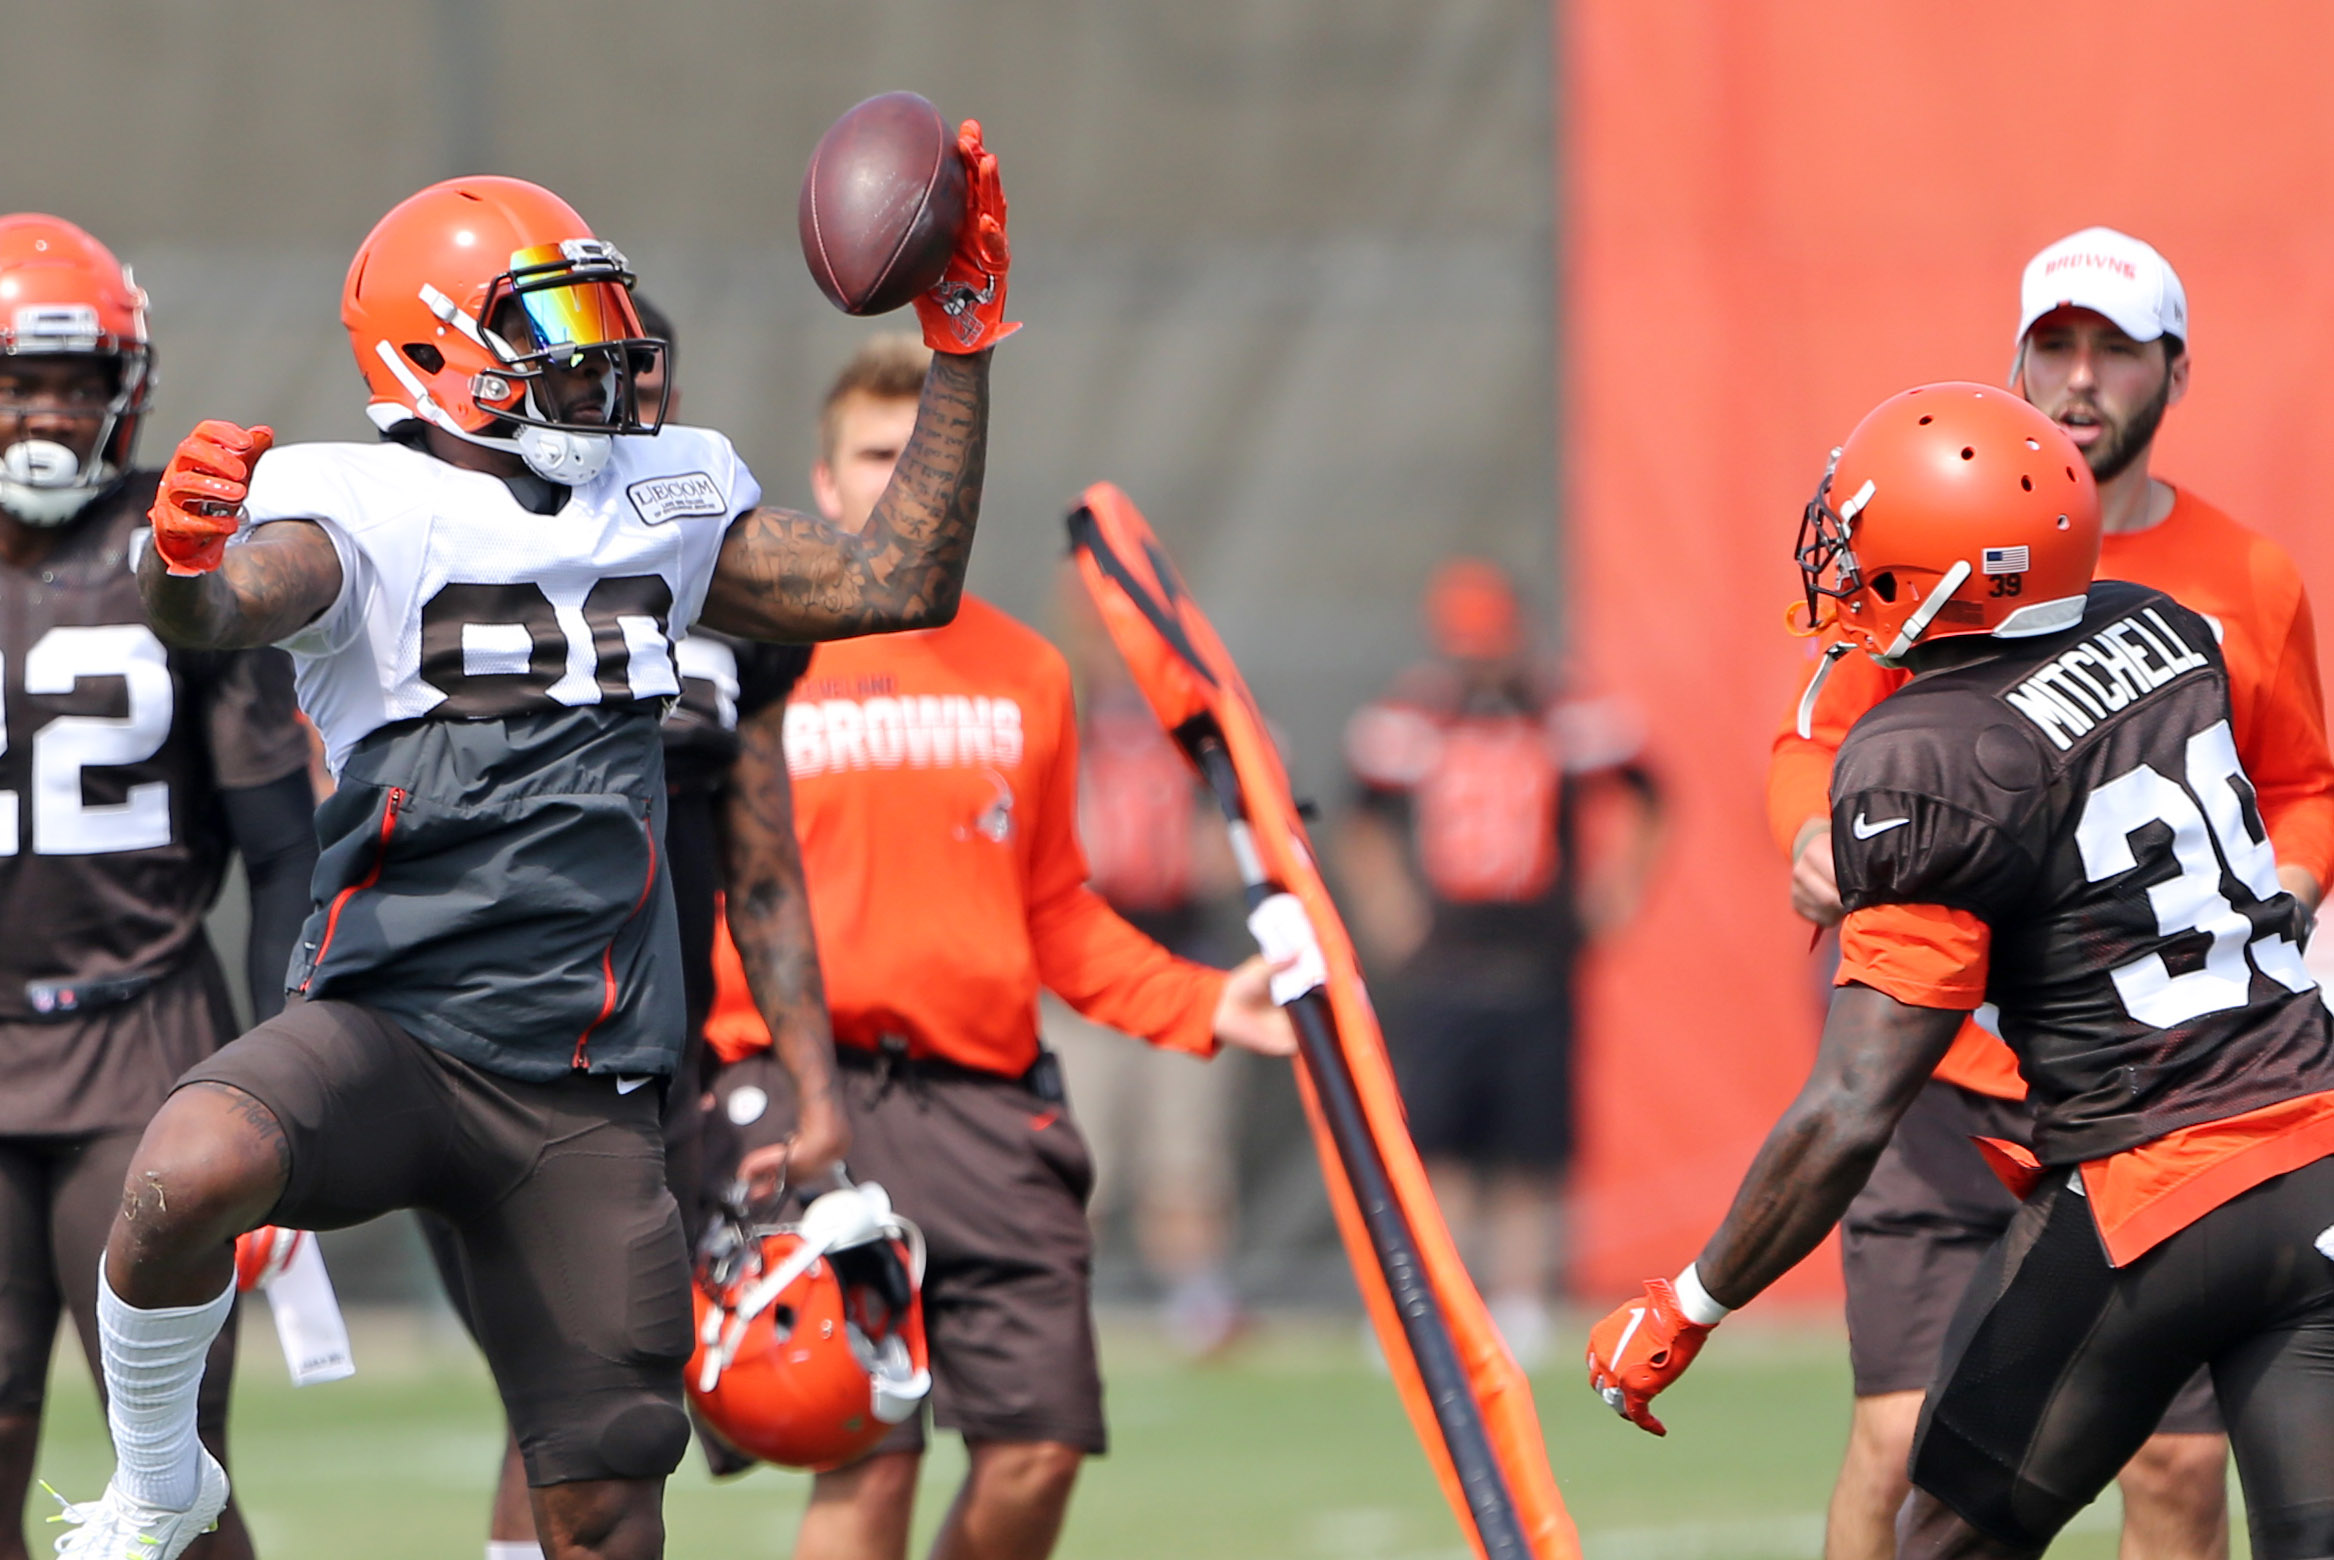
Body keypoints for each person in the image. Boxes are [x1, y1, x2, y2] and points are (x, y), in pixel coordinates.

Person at [55, 130, 1014, 1560]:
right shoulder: (358, 504)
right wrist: (181, 564)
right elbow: (227, 608)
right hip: (389, 1029)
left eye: (598, 316)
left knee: (605, 1503)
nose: (600, 355)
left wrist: (960, 344)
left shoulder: (667, 493)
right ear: (435, 356)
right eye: (551, 325)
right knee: (189, 1162)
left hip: (584, 1078)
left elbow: (896, 579)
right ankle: (157, 1476)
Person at [1591, 381, 2334, 1560]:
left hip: (2155, 1188)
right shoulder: (2163, 629)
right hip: (2314, 1155)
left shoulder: (1928, 757)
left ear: (1950, 567)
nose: (1842, 560)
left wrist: (1689, 1303)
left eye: (1865, 537)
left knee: (1948, 1536)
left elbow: (1854, 1104)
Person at [1768, 228, 2334, 1560]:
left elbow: (2302, 781)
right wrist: (1808, 835)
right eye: (2052, 347)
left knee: (2180, 1466)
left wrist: (2276, 892)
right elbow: (1815, 731)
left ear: (2171, 373)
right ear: (2016, 363)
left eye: (2112, 350)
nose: (2079, 380)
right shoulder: (1954, 540)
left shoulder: (2242, 576)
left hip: (2162, 1086)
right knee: (1906, 1445)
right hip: (1953, 1066)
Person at [716, 334, 1296, 1560]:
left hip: (985, 1099)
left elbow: (1054, 909)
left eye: (920, 455)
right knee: (864, 1463)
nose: (899, 481)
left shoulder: (1028, 671)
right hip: (804, 1089)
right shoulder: (756, 654)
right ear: (822, 485)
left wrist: (1203, 1003)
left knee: (1038, 1453)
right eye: (875, 456)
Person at [418, 294, 835, 1560]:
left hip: (655, 1048)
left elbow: (761, 859)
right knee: (560, 1387)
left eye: (632, 379)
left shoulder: (718, 576)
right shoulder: (445, 553)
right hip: (471, 1037)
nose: (617, 408)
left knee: (601, 1401)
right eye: (586, 379)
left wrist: (813, 1079)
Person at [0, 215, 317, 1560]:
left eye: (79, 383)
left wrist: (279, 1077)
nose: (52, 414)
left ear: (125, 388)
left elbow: (282, 843)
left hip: (145, 1044)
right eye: (22, 381)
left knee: (177, 1468)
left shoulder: (176, 551)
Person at [1339, 558, 1661, 1363]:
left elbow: (1650, 794)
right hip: (1446, 961)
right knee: (1438, 1145)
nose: (1479, 661)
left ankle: (1517, 1305)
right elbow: (1360, 816)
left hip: (1535, 959)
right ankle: (1438, 1304)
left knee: (1529, 1149)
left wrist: (1616, 893)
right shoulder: (1417, 711)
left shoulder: (1564, 706)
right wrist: (1388, 909)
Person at [1043, 575, 1249, 1357]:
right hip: (1082, 955)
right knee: (1072, 1153)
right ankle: (1053, 1305)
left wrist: (1206, 853)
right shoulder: (1054, 710)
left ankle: (1200, 1303)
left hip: (1176, 951)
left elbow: (1235, 833)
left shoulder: (1193, 715)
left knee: (1186, 1157)